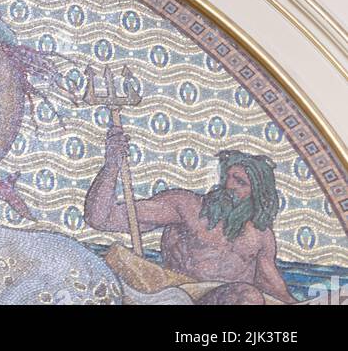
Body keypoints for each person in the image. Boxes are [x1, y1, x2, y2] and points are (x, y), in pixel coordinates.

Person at [84, 130, 296, 304]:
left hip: (230, 299)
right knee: (247, 297)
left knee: (248, 297)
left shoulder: (261, 235)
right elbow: (101, 218)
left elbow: (271, 283)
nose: (229, 186)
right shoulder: (186, 206)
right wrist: (111, 165)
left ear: (257, 193)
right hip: (180, 296)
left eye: (240, 182)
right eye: (228, 177)